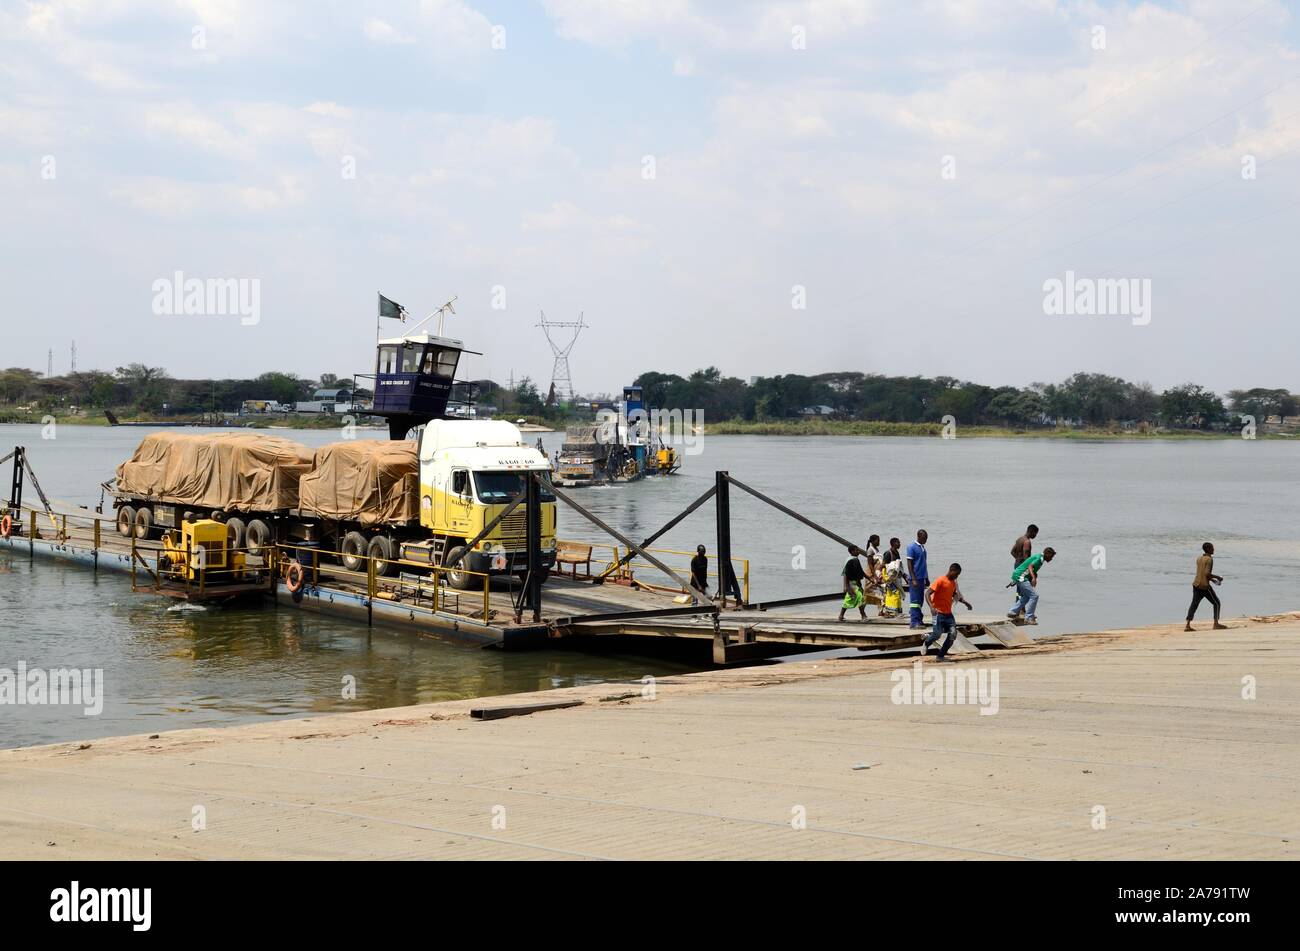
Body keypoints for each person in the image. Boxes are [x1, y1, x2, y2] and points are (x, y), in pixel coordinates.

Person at [923, 563, 973, 660]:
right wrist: (931, 607)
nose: (957, 576)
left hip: (948, 614)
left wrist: (965, 602)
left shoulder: (953, 583)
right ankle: (926, 642)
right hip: (937, 613)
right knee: (937, 634)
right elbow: (927, 593)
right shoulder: (940, 580)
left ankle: (940, 656)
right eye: (957, 574)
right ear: (951, 571)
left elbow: (954, 595)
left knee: (953, 634)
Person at [1008, 547, 1055, 625]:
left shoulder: (1040, 557)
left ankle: (1012, 611)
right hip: (1021, 576)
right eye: (1051, 556)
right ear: (1047, 554)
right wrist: (1033, 578)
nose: (1051, 559)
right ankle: (1029, 617)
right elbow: (1030, 566)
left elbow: (1030, 568)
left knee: (1027, 596)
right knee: (1034, 596)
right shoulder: (1039, 559)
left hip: (1018, 575)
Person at [1185, 542, 1226, 632]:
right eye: (1212, 548)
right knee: (1216, 603)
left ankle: (1187, 625)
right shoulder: (1209, 559)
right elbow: (1207, 574)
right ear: (1208, 549)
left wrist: (1212, 580)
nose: (1213, 549)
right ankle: (1216, 624)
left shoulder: (1199, 558)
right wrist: (1217, 577)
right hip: (1204, 587)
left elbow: (1202, 573)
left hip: (1196, 585)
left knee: (1194, 604)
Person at [1009, 524, 1038, 617]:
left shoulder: (1019, 539)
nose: (1035, 536)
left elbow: (1012, 551)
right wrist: (1031, 571)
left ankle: (1019, 609)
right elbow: (1027, 559)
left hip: (1017, 565)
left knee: (1019, 588)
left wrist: (1018, 559)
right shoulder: (1027, 542)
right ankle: (1021, 610)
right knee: (1025, 588)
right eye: (1035, 533)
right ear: (1031, 531)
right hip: (1023, 568)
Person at [905, 530, 929, 629]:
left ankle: (919, 619)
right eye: (924, 538)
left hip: (922, 578)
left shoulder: (922, 548)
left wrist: (926, 577)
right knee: (914, 601)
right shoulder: (911, 547)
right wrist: (913, 578)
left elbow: (924, 564)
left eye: (926, 538)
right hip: (915, 578)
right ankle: (914, 622)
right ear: (919, 537)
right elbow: (909, 564)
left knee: (920, 600)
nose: (926, 540)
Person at [838, 545, 869, 621]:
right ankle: (863, 615)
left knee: (849, 599)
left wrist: (869, 578)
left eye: (858, 550)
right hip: (853, 583)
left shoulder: (851, 559)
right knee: (860, 597)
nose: (858, 551)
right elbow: (847, 573)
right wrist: (845, 586)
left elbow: (859, 572)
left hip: (854, 583)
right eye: (856, 550)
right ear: (852, 551)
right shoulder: (854, 560)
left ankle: (841, 615)